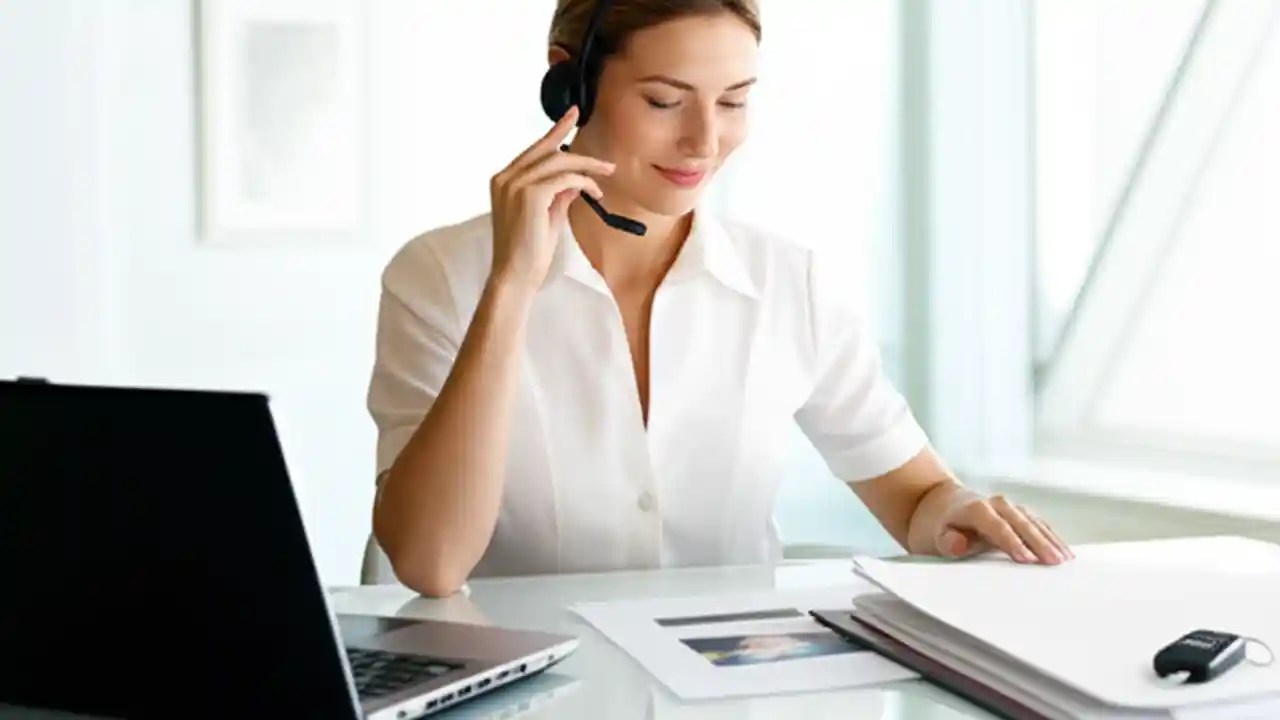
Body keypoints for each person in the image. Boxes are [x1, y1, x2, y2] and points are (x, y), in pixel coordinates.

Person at [366, 0, 1072, 598]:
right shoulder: (440, 276)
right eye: (665, 101)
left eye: (734, 100)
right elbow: (430, 562)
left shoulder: (787, 282)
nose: (705, 141)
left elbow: (916, 497)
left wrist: (959, 511)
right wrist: (512, 286)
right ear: (568, 81)